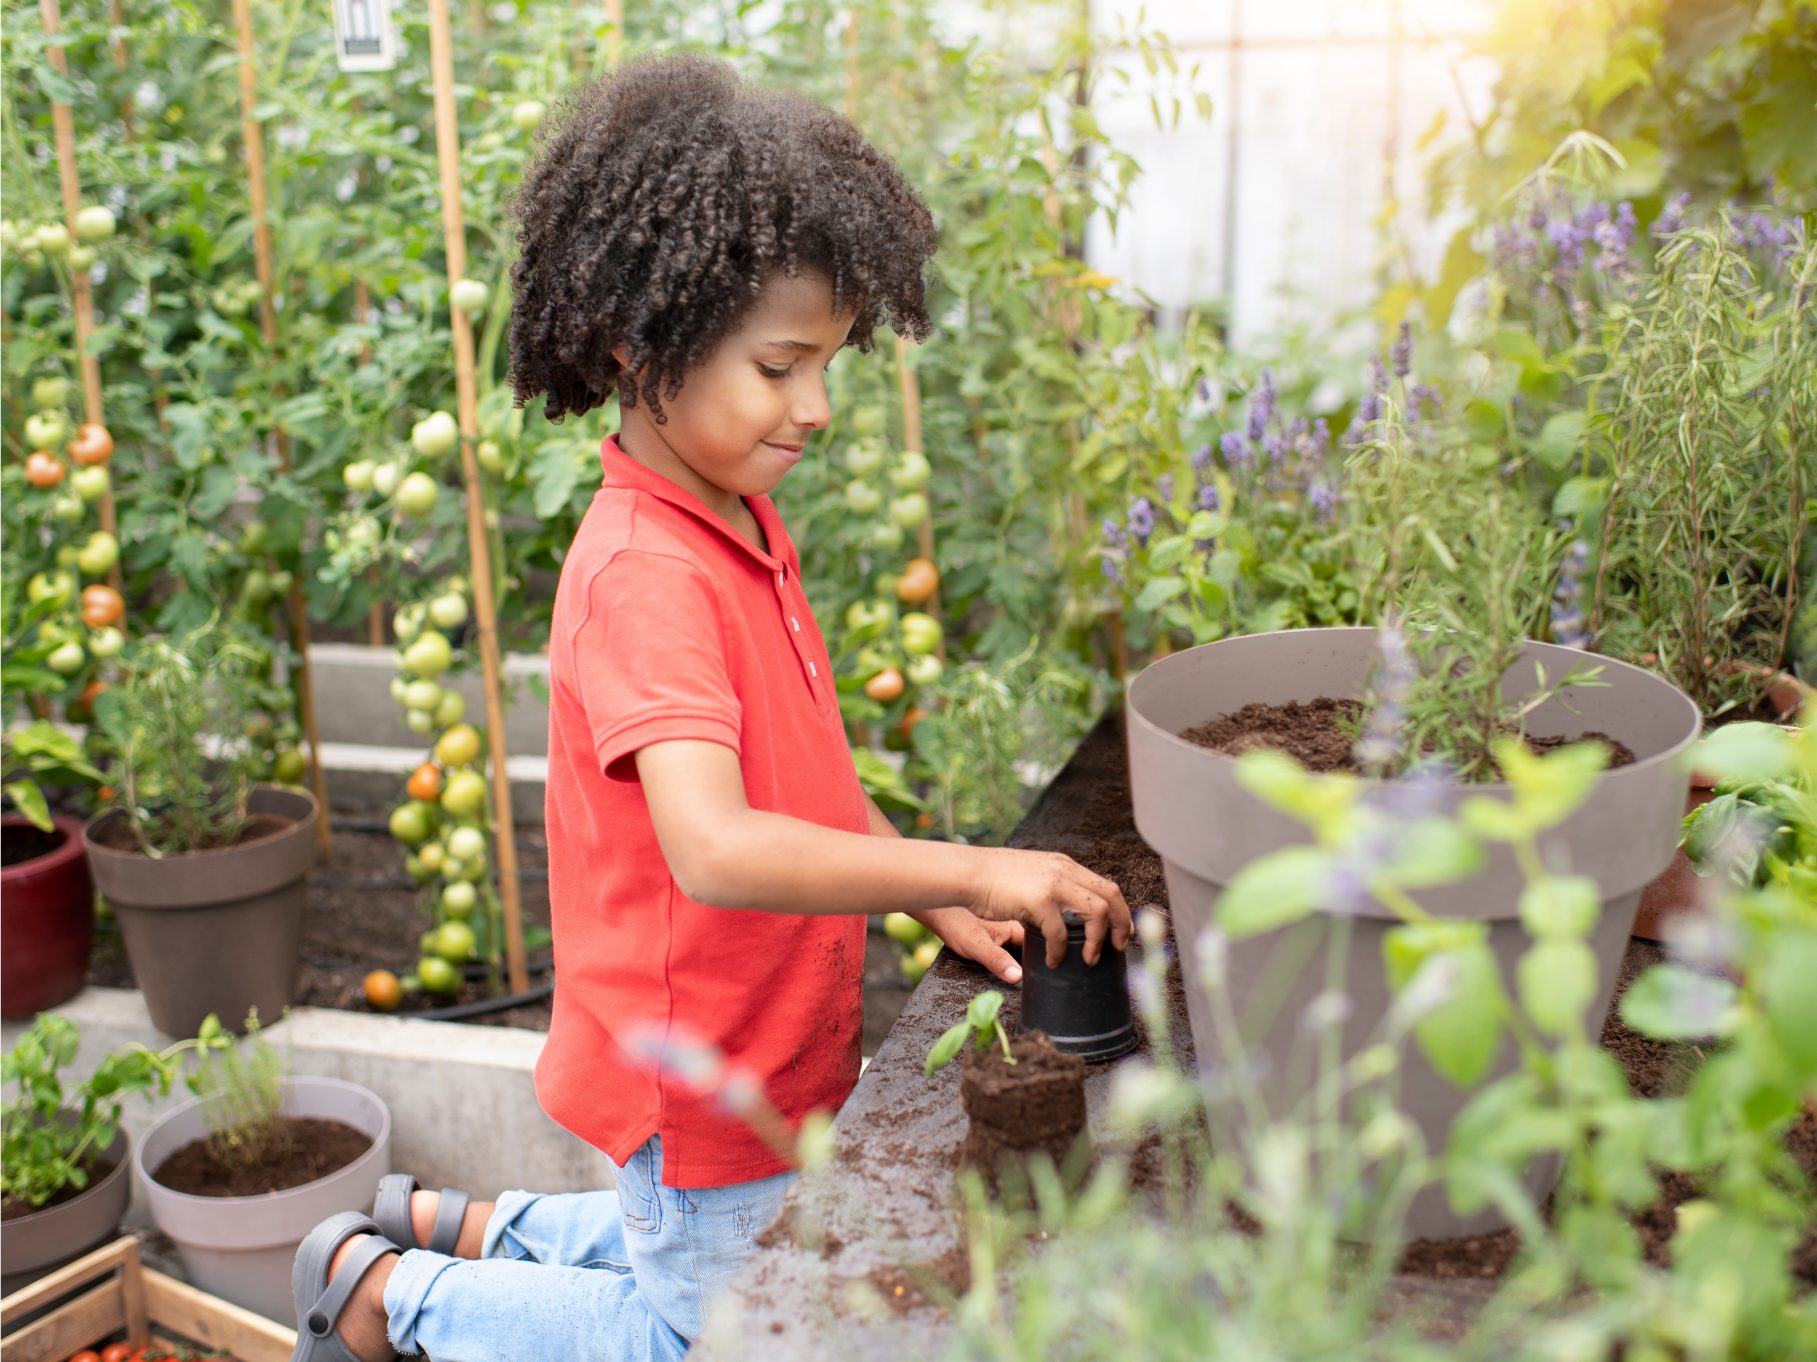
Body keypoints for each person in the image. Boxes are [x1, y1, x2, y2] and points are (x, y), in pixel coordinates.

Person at [288, 51, 1131, 1362]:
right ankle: (389, 1299)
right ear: (641, 343)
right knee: (712, 1332)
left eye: (831, 364)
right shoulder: (644, 573)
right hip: (699, 1076)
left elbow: (803, 768)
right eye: (782, 365)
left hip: (761, 1047)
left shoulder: (732, 510)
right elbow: (716, 844)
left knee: (715, 1244)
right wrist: (974, 857)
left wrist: (925, 893)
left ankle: (459, 1223)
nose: (817, 408)